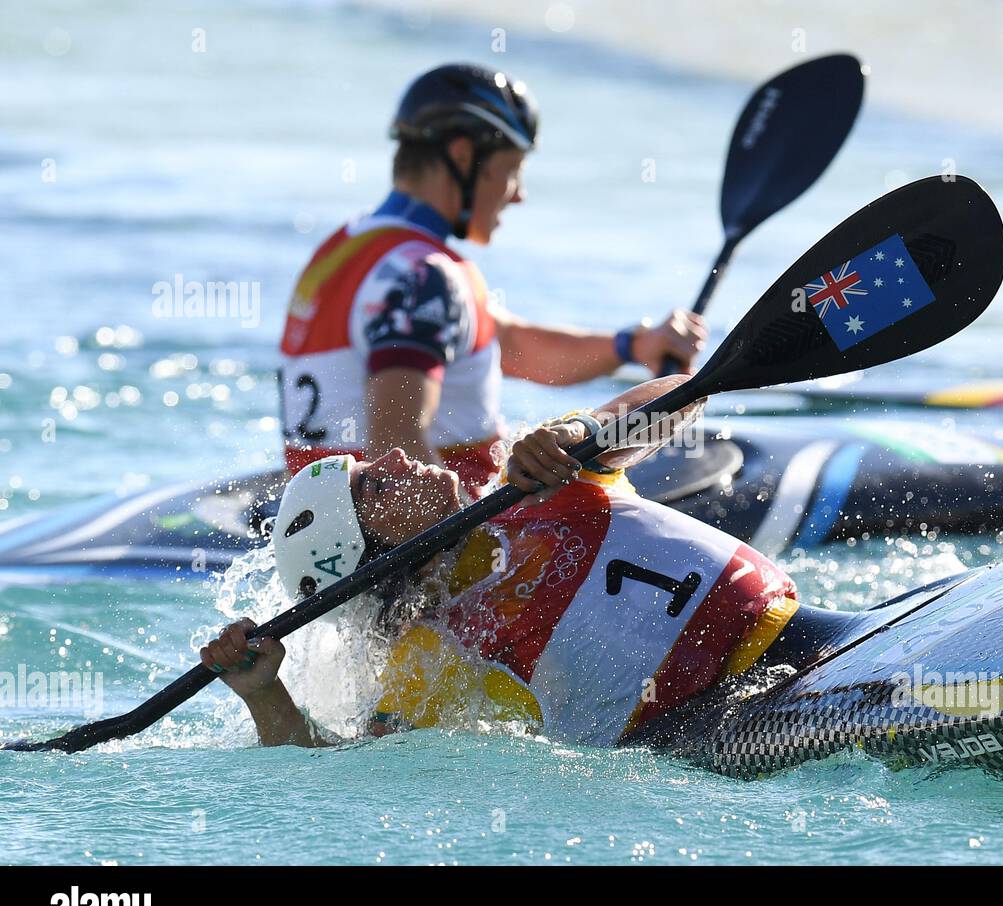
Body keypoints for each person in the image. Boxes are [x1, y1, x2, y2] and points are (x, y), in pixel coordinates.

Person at [200, 376, 836, 749]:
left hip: (820, 636)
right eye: (373, 488)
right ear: (380, 560)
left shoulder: (538, 474)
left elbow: (685, 394)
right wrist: (265, 694)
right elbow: (335, 772)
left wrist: (583, 431)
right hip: (729, 733)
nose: (396, 461)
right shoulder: (431, 659)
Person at [278, 63, 707, 492]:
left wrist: (632, 345)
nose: (518, 194)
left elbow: (511, 345)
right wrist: (462, 552)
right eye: (512, 168)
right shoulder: (424, 277)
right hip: (433, 534)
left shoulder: (349, 249)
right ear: (463, 156)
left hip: (325, 516)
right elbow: (395, 444)